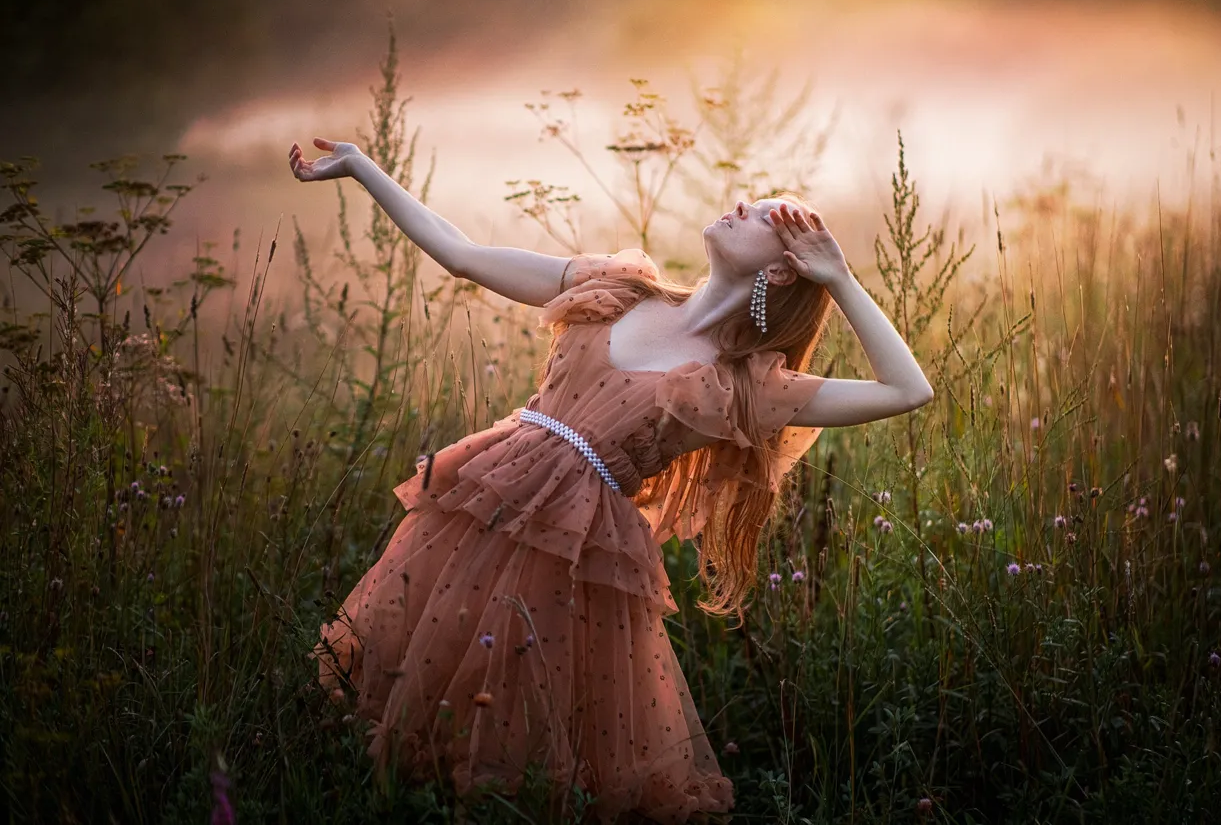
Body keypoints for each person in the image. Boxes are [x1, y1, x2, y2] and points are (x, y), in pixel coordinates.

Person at [288, 136, 934, 823]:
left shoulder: (735, 387)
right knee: (415, 697)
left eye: (764, 217)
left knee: (522, 739)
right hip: (481, 514)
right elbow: (462, 254)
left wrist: (838, 277)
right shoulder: (619, 290)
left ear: (782, 270)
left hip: (574, 556)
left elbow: (906, 389)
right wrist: (361, 166)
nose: (740, 205)